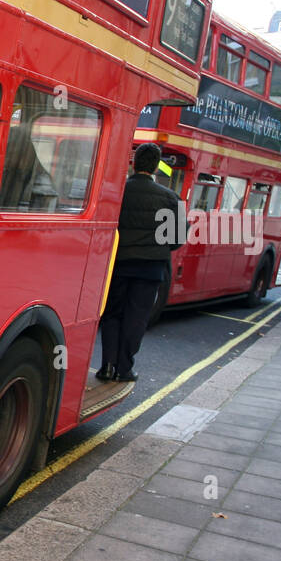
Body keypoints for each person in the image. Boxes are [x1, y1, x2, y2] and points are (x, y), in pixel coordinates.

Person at [96, 142, 184, 382]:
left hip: (118, 264)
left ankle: (106, 366)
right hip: (151, 269)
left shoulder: (117, 193)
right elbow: (177, 240)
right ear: (156, 167)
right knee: (136, 318)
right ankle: (124, 369)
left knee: (112, 314)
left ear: (134, 163)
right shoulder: (172, 199)